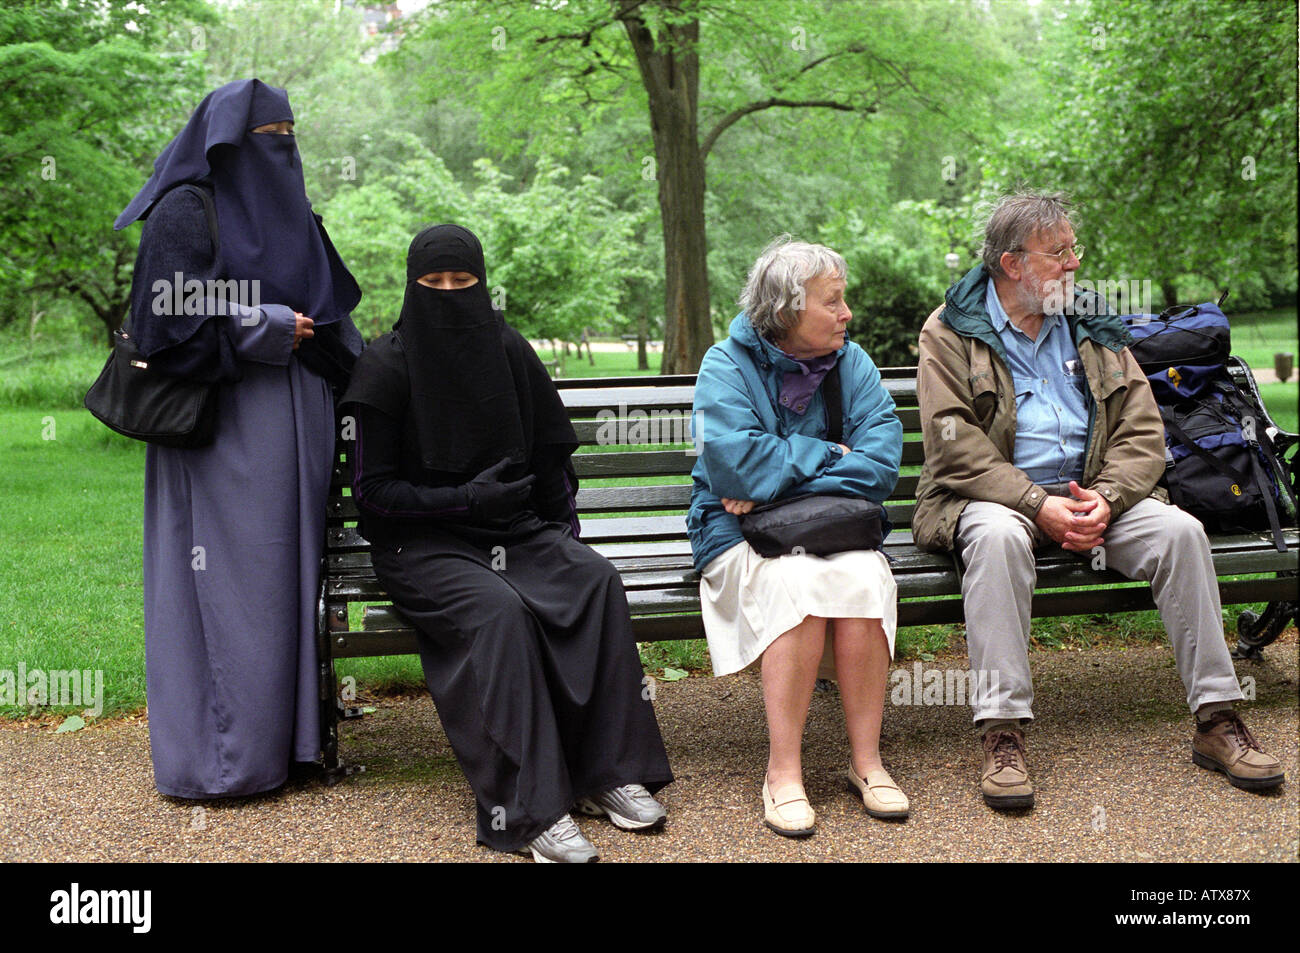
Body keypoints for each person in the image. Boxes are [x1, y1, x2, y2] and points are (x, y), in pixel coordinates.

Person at [912, 190, 1284, 809]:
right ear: (1012, 264)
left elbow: (1143, 431)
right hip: (994, 498)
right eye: (1059, 253)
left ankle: (1218, 720)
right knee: (1000, 540)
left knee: (1180, 533)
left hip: (1093, 493)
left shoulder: (1090, 320)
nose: (1074, 264)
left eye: (1073, 250)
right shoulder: (950, 329)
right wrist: (1037, 504)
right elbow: (954, 446)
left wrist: (1107, 498)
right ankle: (1002, 733)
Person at [339, 224, 673, 863]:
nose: (448, 292)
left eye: (461, 281)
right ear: (412, 287)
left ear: (481, 284)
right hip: (421, 544)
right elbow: (375, 493)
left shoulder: (508, 350)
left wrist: (559, 538)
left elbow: (550, 462)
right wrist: (463, 499)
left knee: (594, 580)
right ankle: (529, 811)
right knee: (500, 613)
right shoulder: (387, 363)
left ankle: (606, 775)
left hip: (513, 533)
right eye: (432, 283)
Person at [114, 79, 364, 798]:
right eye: (268, 134)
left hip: (301, 431)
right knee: (229, 593)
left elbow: (333, 319)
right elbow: (166, 317)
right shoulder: (188, 210)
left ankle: (290, 746)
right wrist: (265, 327)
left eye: (290, 132)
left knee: (288, 587)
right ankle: (223, 760)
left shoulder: (297, 215)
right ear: (228, 143)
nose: (283, 147)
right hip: (223, 434)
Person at [688, 238, 905, 838]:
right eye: (832, 302)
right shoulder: (725, 366)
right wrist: (831, 453)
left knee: (864, 576)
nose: (846, 313)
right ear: (786, 311)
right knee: (796, 582)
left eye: (844, 300)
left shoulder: (852, 363)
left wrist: (780, 471)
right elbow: (733, 471)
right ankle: (783, 773)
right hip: (736, 532)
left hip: (834, 528)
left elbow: (882, 465)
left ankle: (868, 762)